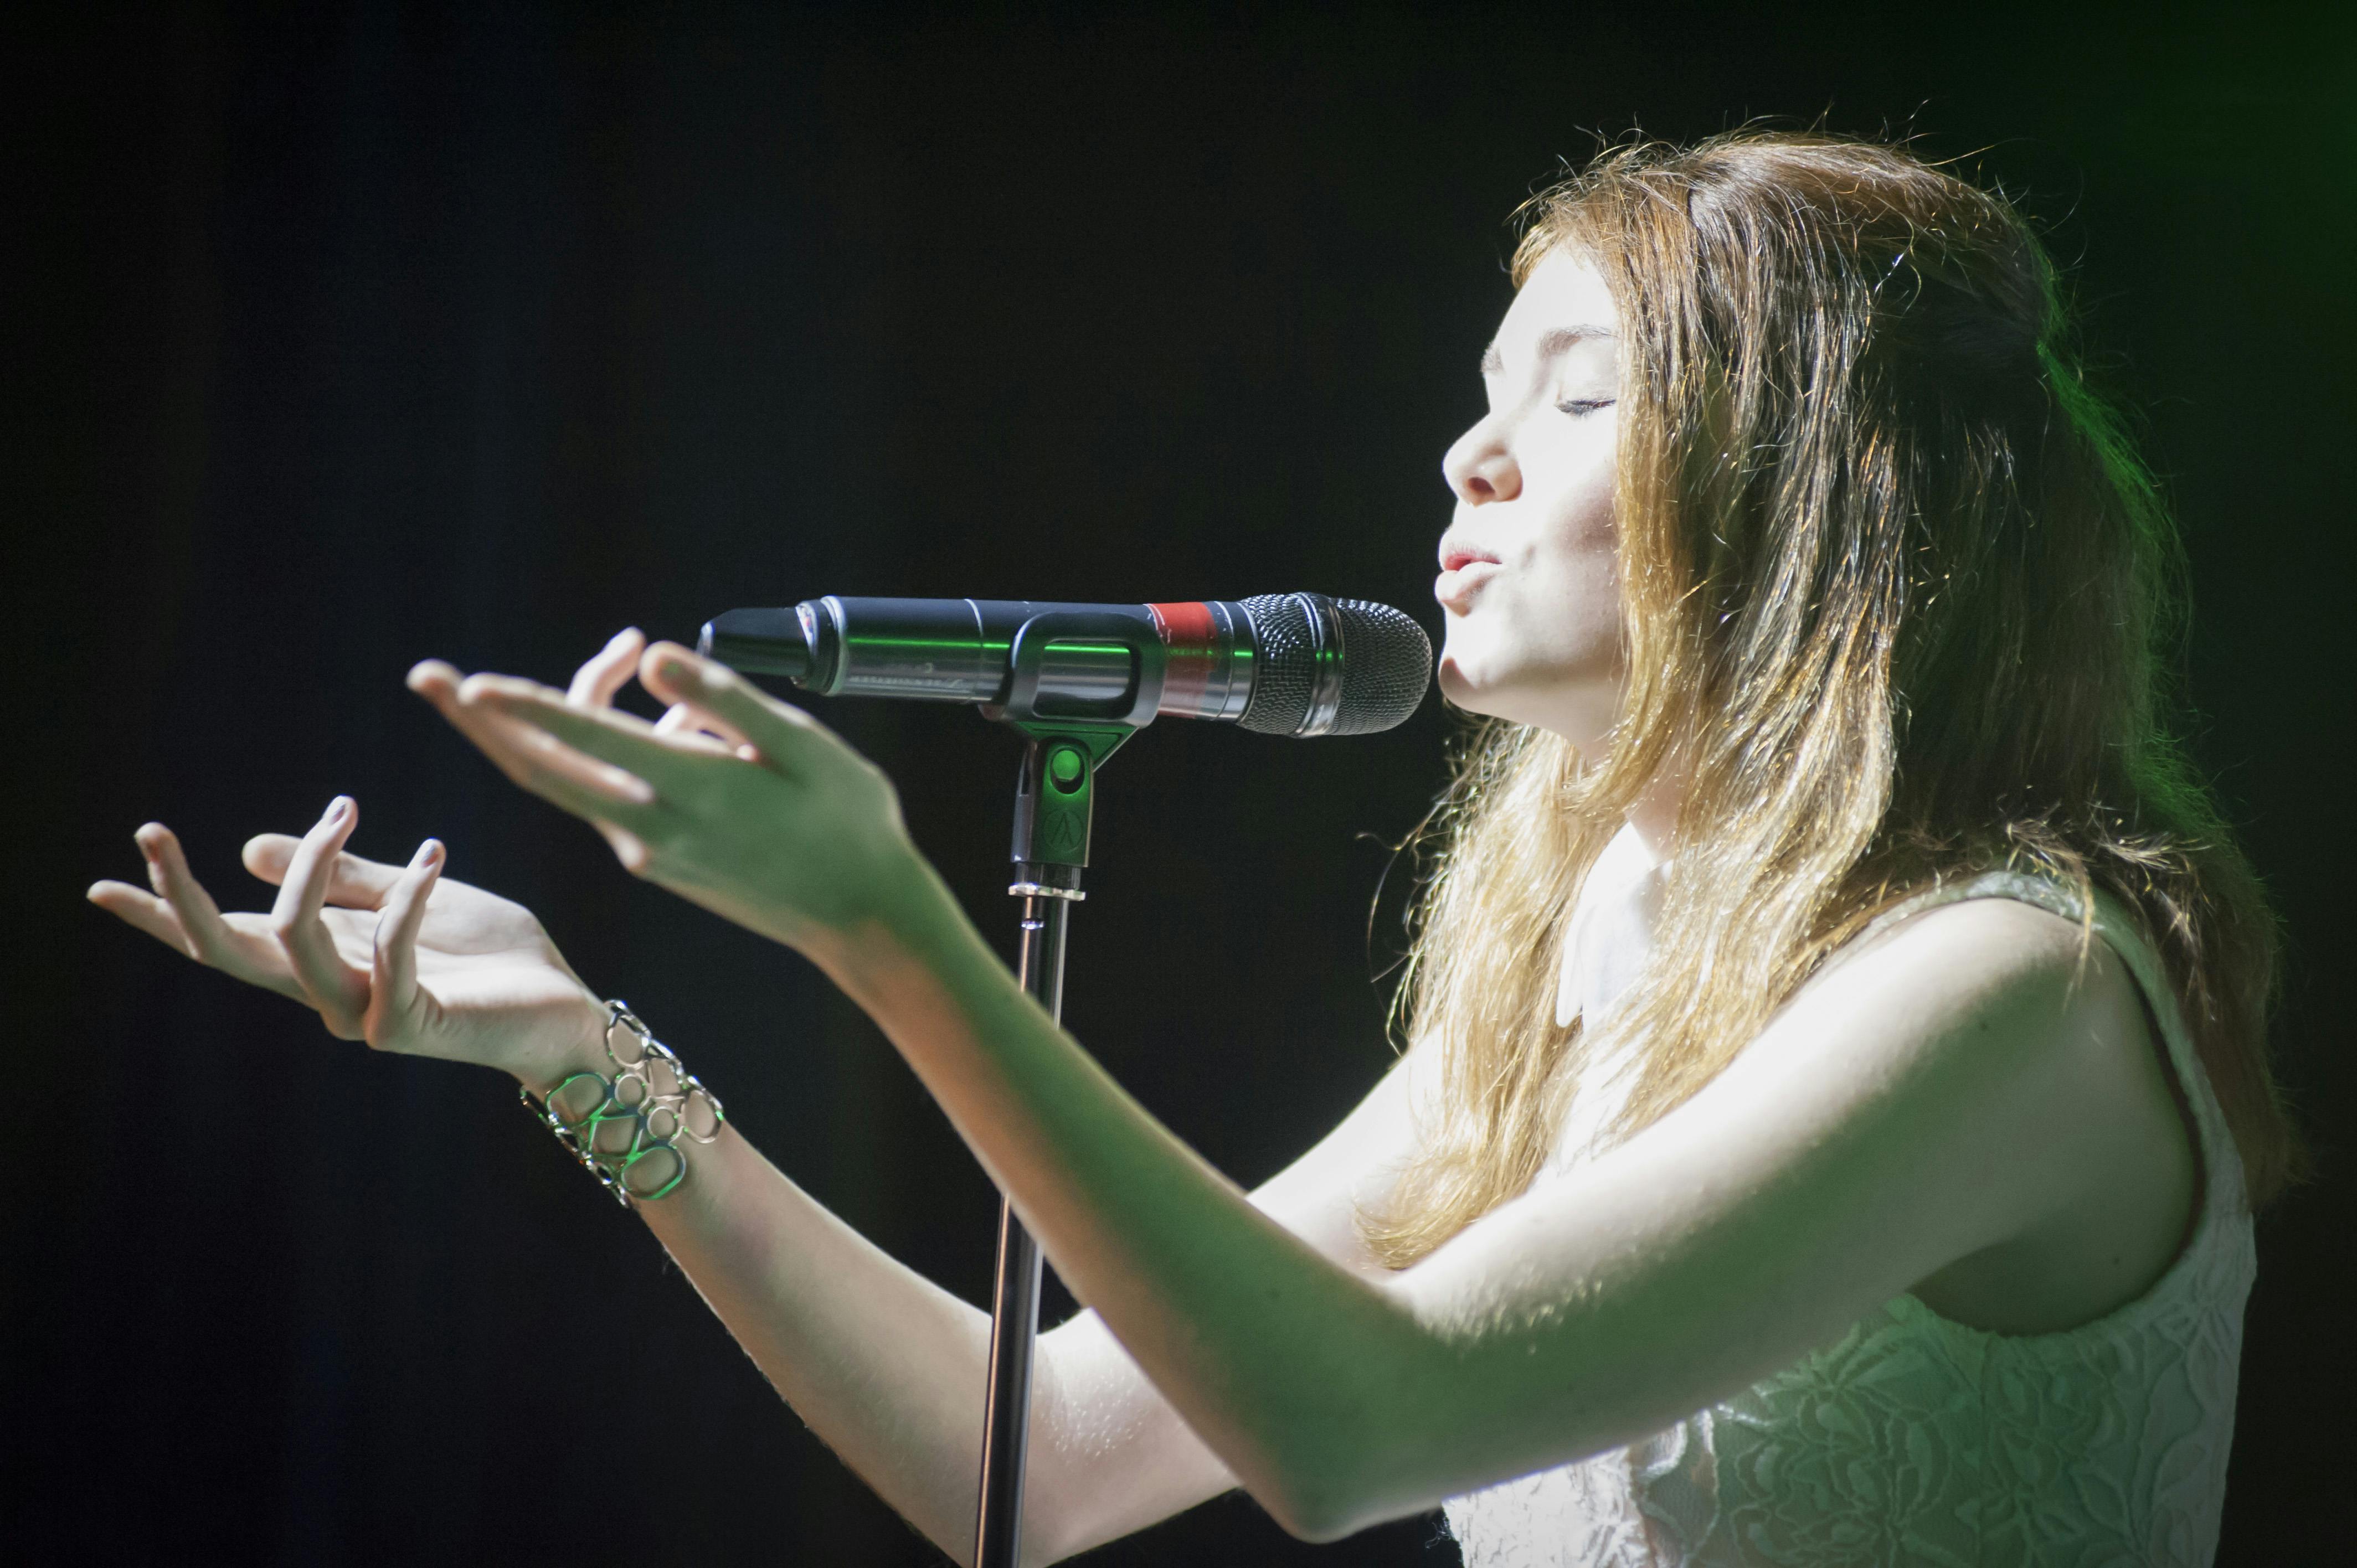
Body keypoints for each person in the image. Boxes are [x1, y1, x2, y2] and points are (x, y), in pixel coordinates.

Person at [89, 130, 2304, 1567]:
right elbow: (1033, 1465)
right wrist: (585, 1051)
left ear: (1822, 485)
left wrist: (889, 928)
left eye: (1573, 391)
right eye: (1483, 385)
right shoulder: (1592, 961)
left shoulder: (2007, 986)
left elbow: (1353, 1427)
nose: (1465, 453)